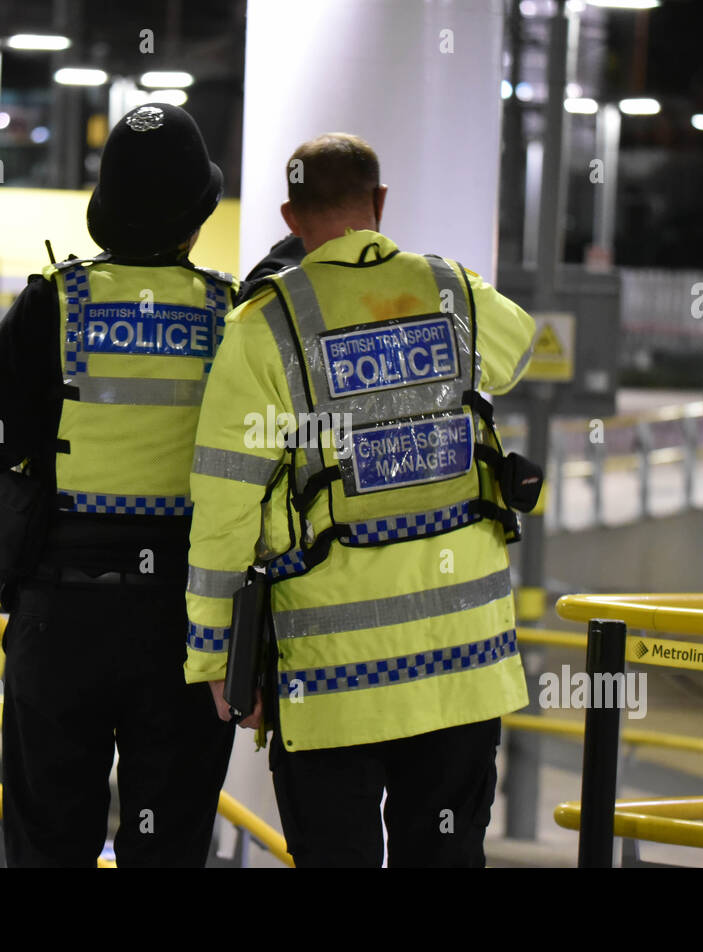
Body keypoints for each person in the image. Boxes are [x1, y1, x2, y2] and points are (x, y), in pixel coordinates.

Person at [183, 132, 538, 867]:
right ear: (379, 203)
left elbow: (224, 509)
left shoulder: (265, 326)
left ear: (289, 216)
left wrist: (219, 654)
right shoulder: (452, 291)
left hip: (334, 681)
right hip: (461, 671)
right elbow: (518, 348)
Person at [0, 103, 237, 867]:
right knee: (166, 845)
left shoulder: (56, 301)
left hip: (61, 617)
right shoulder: (227, 314)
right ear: (196, 217)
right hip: (184, 625)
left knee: (48, 843)